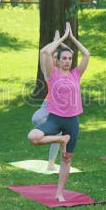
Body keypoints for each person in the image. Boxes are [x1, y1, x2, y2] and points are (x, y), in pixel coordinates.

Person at [28, 22, 89, 202]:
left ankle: (59, 193)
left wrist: (72, 39)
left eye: (70, 59)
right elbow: (45, 53)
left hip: (72, 122)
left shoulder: (76, 74)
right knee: (33, 137)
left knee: (67, 159)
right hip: (54, 120)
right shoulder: (51, 74)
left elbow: (87, 54)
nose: (67, 61)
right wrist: (61, 39)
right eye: (64, 58)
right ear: (59, 60)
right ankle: (60, 139)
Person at [31, 31, 73, 172]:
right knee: (35, 119)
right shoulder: (48, 72)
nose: (55, 59)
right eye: (54, 57)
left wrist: (61, 41)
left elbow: (70, 52)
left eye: (57, 57)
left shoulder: (66, 71)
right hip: (48, 105)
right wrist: (57, 40)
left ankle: (51, 163)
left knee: (58, 135)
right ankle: (52, 133)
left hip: (62, 110)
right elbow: (44, 51)